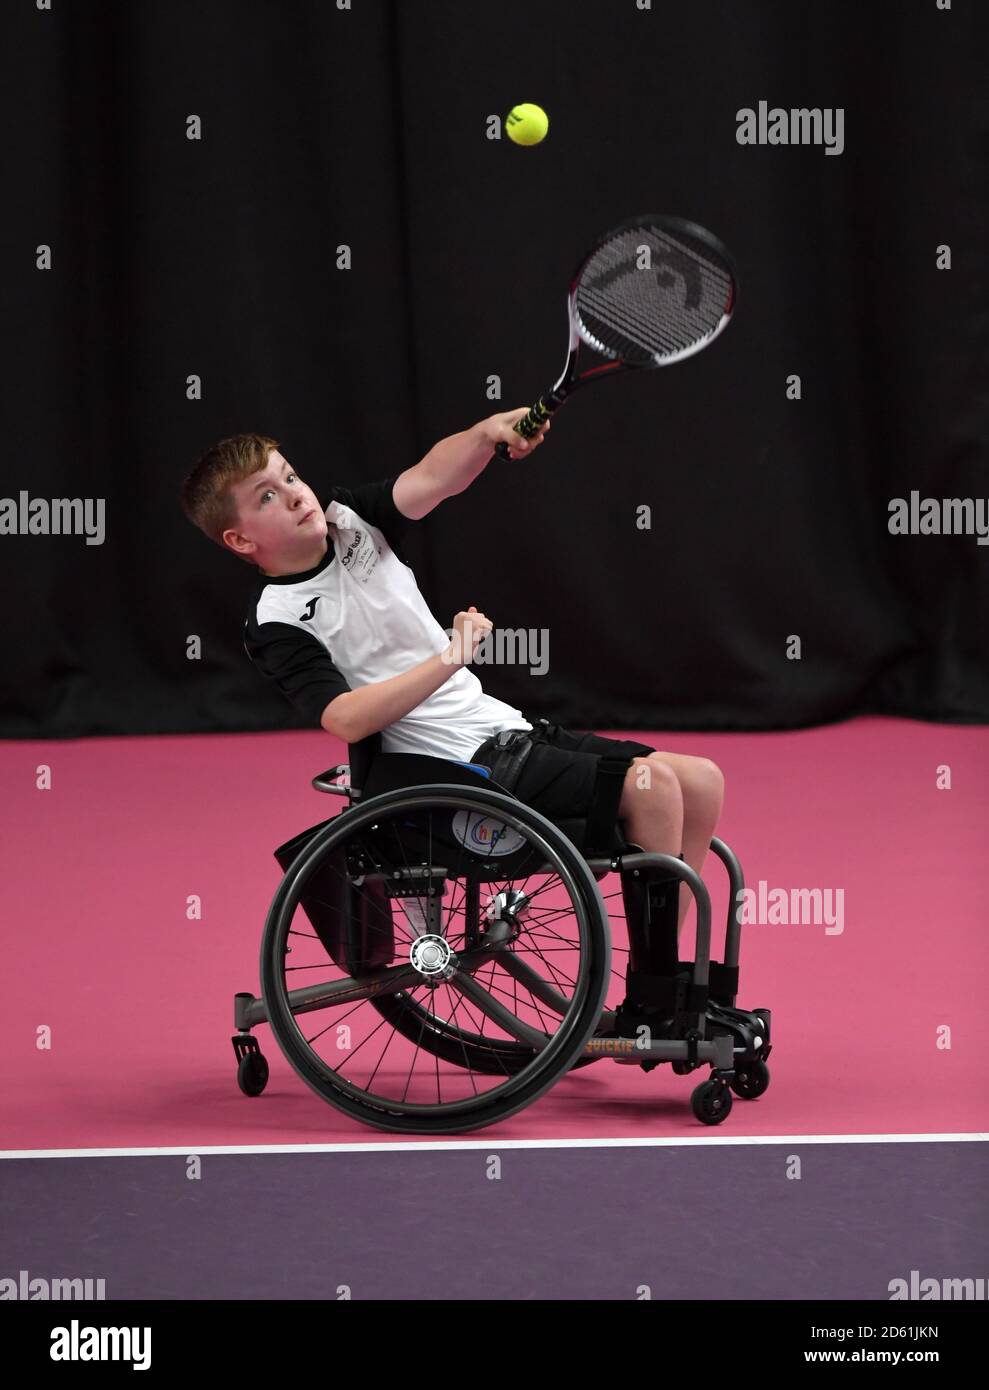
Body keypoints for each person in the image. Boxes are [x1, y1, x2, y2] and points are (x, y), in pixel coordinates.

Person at [179, 415, 725, 943]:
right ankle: (651, 1008)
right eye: (267, 496)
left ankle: (674, 993)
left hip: (510, 732)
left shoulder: (353, 519)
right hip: (459, 768)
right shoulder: (276, 619)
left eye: (290, 477)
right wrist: (451, 655)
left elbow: (434, 477)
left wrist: (488, 434)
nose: (297, 495)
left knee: (700, 781)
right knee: (652, 791)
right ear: (241, 540)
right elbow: (345, 718)